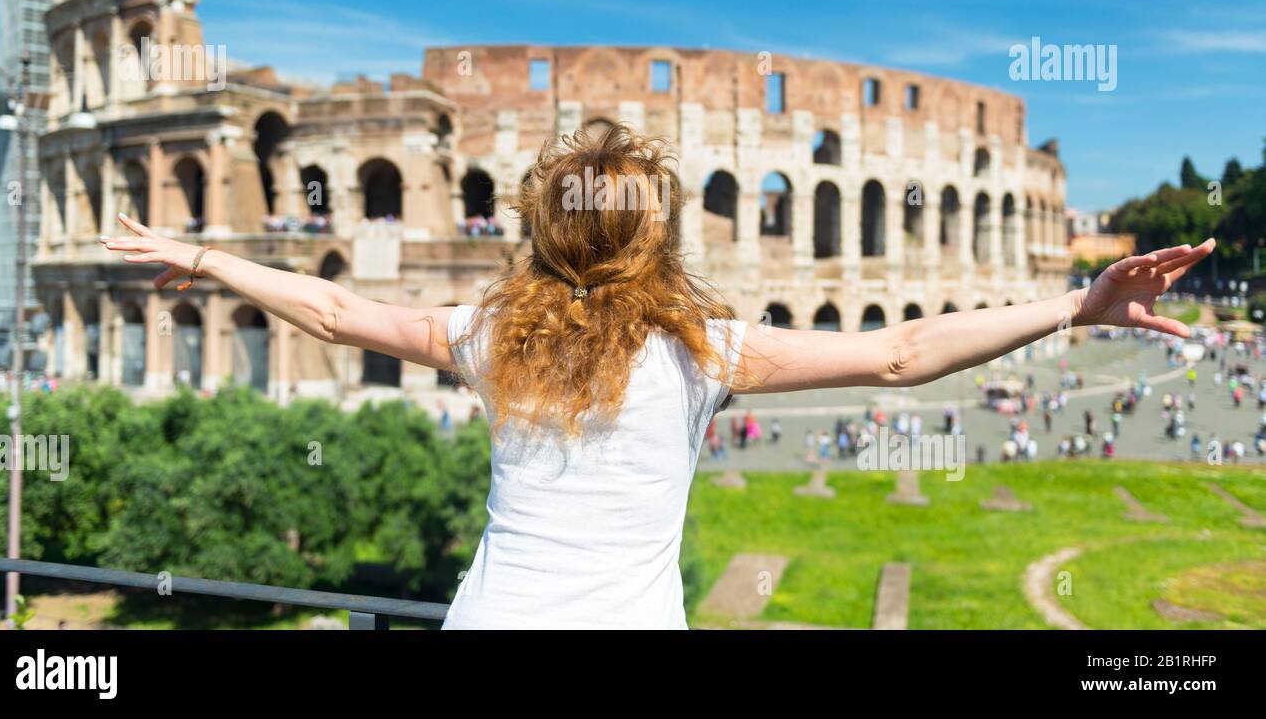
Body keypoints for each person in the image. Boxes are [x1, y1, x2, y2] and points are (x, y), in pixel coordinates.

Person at [100, 123, 1218, 630]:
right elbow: (901, 353)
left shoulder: (486, 333)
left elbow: (336, 312)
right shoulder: (700, 348)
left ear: (539, 233)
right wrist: (1078, 302)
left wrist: (200, 254)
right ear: (655, 239)